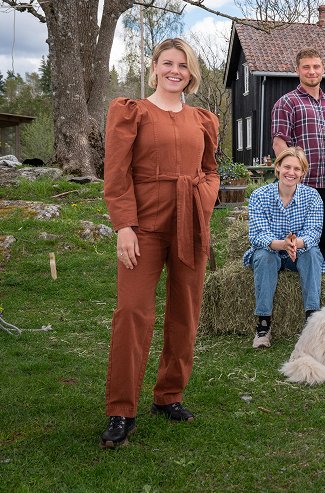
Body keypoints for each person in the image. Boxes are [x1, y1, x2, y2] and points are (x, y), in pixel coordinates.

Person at [101, 38, 220, 448]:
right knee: (133, 312)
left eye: (183, 65)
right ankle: (121, 409)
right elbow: (116, 176)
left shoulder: (202, 119)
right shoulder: (131, 112)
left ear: (191, 73)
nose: (175, 71)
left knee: (185, 312)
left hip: (189, 224)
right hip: (144, 226)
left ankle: (169, 395)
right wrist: (124, 226)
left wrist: (202, 201)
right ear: (153, 67)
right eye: (167, 63)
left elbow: (211, 170)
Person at [243, 147, 324, 348]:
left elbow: (314, 232)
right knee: (263, 256)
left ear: (302, 173)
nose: (291, 172)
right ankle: (263, 323)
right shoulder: (260, 195)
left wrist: (295, 244)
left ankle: (312, 320)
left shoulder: (312, 196)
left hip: (300, 250)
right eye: (287, 166)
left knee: (313, 254)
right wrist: (282, 244)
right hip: (271, 249)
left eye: (297, 168)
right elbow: (258, 235)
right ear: (277, 167)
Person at [271, 48, 325, 268]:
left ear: (323, 69)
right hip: (303, 187)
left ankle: (321, 290)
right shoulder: (287, 103)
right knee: (302, 244)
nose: (312, 71)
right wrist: (292, 178)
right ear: (298, 71)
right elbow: (279, 143)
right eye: (306, 67)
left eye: (316, 67)